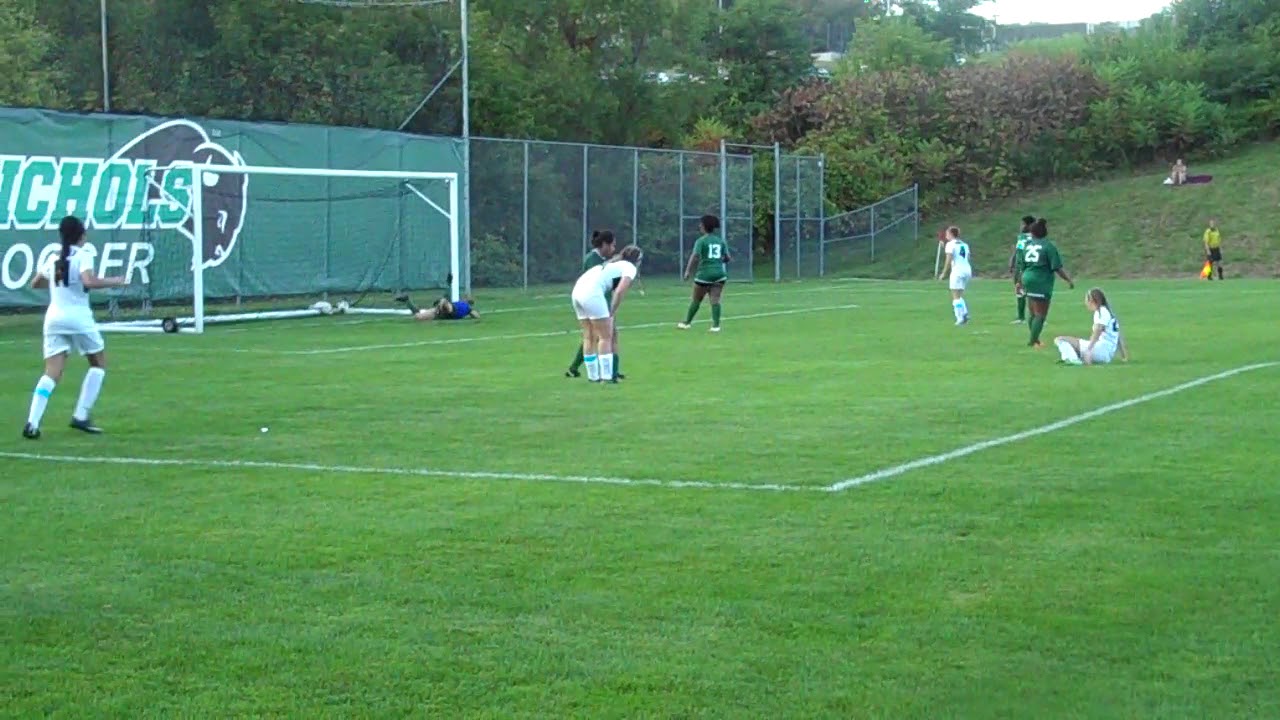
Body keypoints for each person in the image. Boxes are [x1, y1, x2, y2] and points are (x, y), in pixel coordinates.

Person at [23, 216, 129, 439]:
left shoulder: (54, 257)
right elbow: (88, 281)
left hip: (54, 318)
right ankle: (81, 415)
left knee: (51, 372)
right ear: (81, 235)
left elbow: (35, 283)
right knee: (98, 363)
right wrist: (116, 281)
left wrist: (57, 283)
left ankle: (32, 423)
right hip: (78, 318)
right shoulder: (83, 255)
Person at [571, 245, 643, 383]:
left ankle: (593, 377)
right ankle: (607, 377)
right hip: (592, 292)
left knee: (589, 336)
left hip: (577, 291)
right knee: (605, 336)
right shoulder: (630, 267)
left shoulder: (612, 263)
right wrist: (612, 311)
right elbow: (619, 291)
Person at [566, 230, 620, 379]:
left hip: (601, 300)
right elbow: (597, 278)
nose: (614, 249)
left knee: (602, 335)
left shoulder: (601, 259)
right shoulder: (592, 259)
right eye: (612, 245)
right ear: (605, 244)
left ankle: (612, 371)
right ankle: (609, 373)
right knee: (600, 335)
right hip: (595, 301)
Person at [1020, 218, 1074, 348]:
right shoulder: (1048, 246)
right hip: (1040, 280)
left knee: (1032, 312)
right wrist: (1068, 280)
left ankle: (1036, 340)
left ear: (1032, 233)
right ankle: (1032, 341)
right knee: (1040, 314)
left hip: (1027, 278)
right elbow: (1057, 267)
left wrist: (1019, 281)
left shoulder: (1027, 245)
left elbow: (1022, 265)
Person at [677, 215, 730, 332]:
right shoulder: (720, 241)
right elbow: (727, 258)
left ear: (705, 226)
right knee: (715, 300)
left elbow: (695, 256)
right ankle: (716, 326)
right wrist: (718, 261)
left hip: (704, 275)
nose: (699, 226)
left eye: (701, 224)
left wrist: (687, 271)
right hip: (719, 275)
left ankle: (687, 323)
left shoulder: (701, 241)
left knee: (696, 299)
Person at [1053, 288, 1129, 365]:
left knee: (1060, 339)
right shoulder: (1109, 312)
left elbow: (1098, 330)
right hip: (1107, 353)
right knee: (1073, 345)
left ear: (1091, 300)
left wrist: (1089, 350)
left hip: (1100, 350)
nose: (1085, 303)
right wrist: (1124, 355)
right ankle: (1073, 358)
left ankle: (1072, 360)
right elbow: (1118, 336)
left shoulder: (1101, 312)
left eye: (1086, 300)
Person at [937, 226, 972, 326]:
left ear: (951, 234)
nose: (946, 236)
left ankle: (960, 317)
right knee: (959, 295)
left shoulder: (950, 244)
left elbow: (949, 259)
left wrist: (944, 273)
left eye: (947, 233)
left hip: (957, 271)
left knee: (955, 296)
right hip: (967, 270)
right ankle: (964, 313)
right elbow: (967, 257)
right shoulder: (964, 244)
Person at [1009, 215, 1035, 323]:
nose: (1021, 226)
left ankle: (1021, 317)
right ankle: (1036, 316)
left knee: (1020, 291)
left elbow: (1018, 251)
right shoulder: (1038, 237)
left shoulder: (1022, 237)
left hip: (1021, 267)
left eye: (1022, 224)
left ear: (1027, 225)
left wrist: (1012, 262)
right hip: (1034, 268)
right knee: (1033, 293)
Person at [395, 293, 480, 320]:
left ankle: (407, 301)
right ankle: (407, 300)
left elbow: (476, 315)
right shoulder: (467, 308)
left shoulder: (466, 307)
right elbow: (476, 316)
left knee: (418, 316)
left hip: (443, 312)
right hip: (442, 312)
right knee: (418, 317)